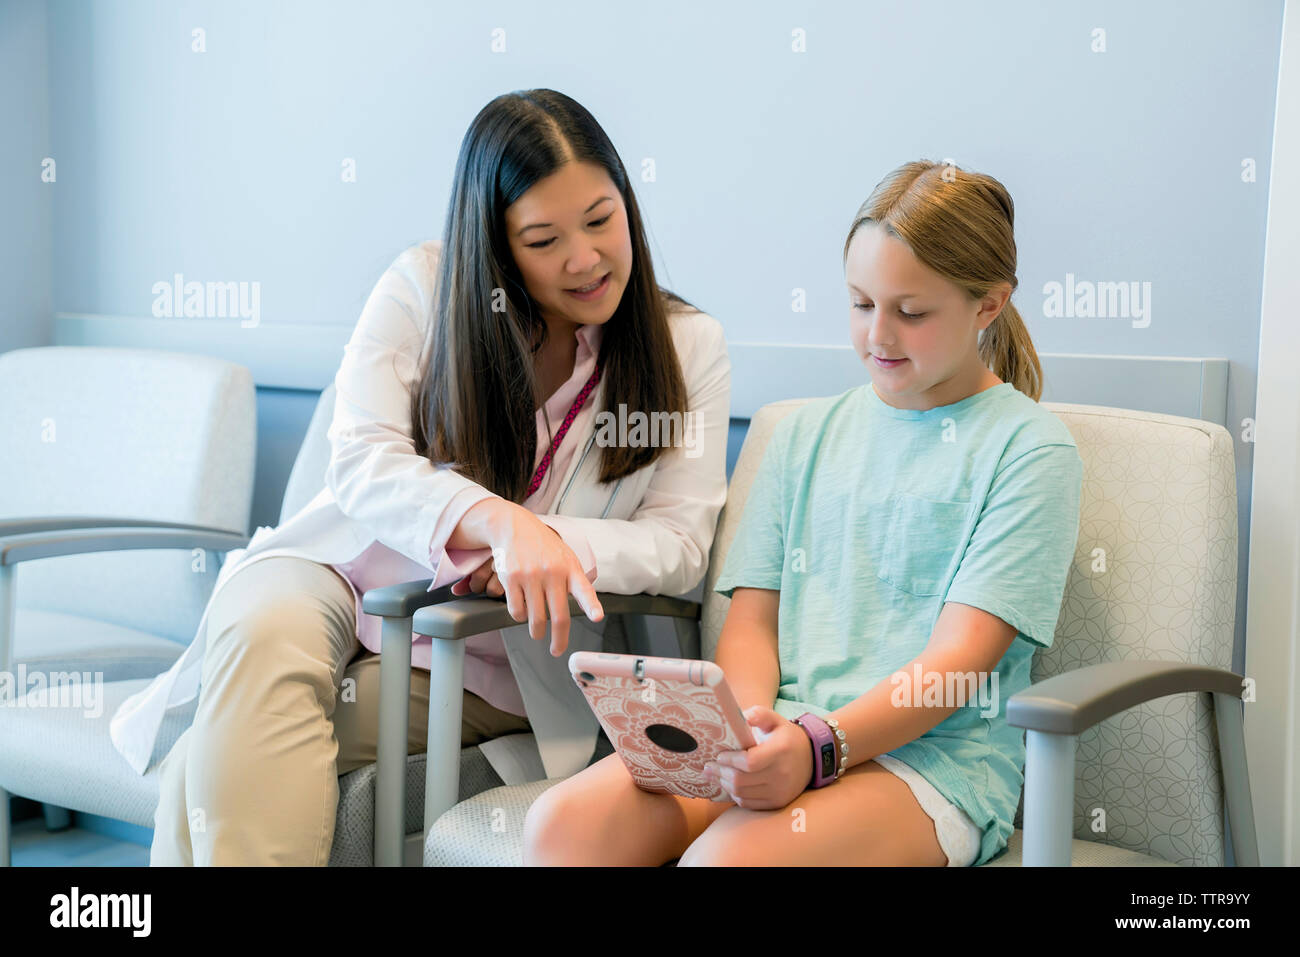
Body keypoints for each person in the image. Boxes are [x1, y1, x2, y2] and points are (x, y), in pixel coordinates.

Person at [107, 88, 732, 865]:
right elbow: (362, 457)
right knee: (262, 631)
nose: (585, 257)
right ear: (495, 247)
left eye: (602, 219)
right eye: (543, 239)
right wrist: (502, 525)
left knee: (227, 739)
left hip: (474, 644)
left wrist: (540, 546)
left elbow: (678, 542)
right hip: (336, 568)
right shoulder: (422, 288)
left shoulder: (687, 345)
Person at [523, 159, 1084, 867]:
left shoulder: (1029, 450)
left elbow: (955, 665)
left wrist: (822, 747)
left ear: (988, 305)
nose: (878, 335)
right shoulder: (803, 434)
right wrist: (748, 730)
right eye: (859, 303)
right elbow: (752, 624)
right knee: (560, 826)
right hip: (782, 736)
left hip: (929, 765)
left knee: (727, 862)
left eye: (911, 312)